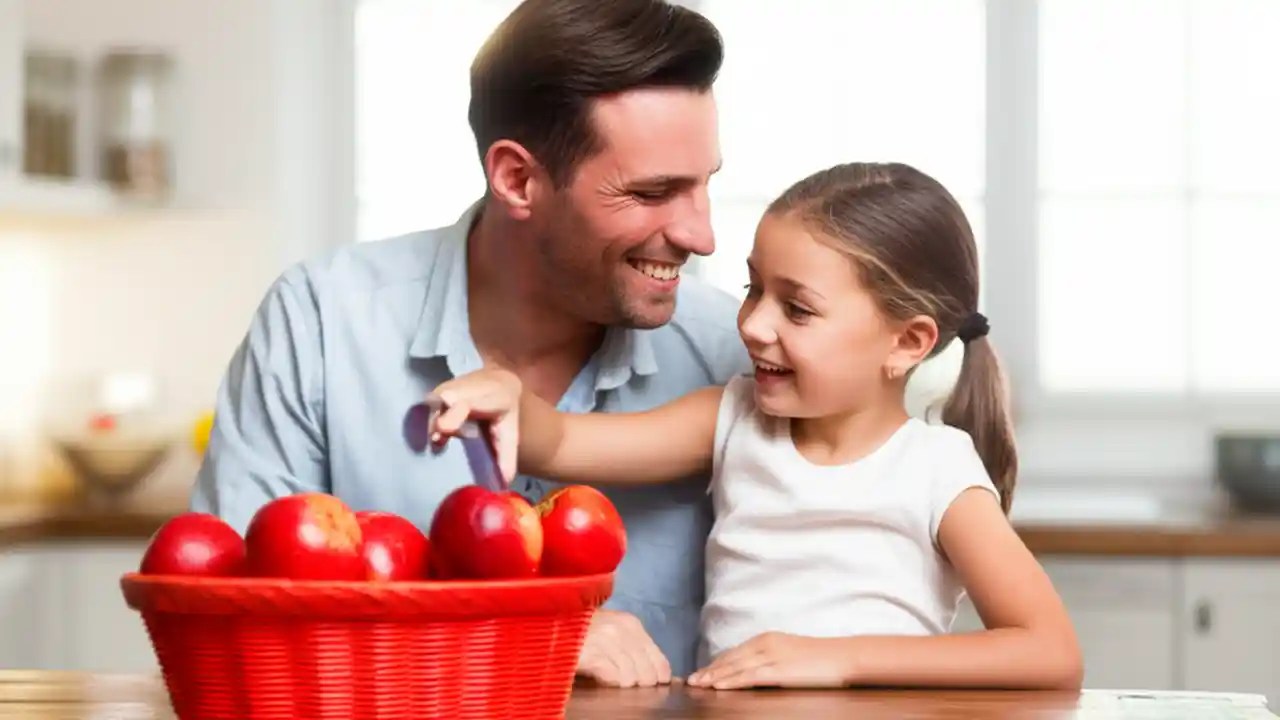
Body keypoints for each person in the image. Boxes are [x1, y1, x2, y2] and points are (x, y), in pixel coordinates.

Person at [189, 0, 748, 686]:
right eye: (653, 192)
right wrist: (516, 636)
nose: (702, 235)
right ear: (517, 178)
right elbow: (232, 627)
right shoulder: (322, 323)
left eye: (702, 186)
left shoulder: (737, 357)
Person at [427, 162, 1085, 690]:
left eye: (796, 309)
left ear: (908, 343)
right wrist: (510, 398)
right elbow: (568, 441)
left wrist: (838, 659)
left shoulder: (936, 468)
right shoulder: (733, 418)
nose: (753, 324)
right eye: (752, 289)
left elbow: (1048, 650)